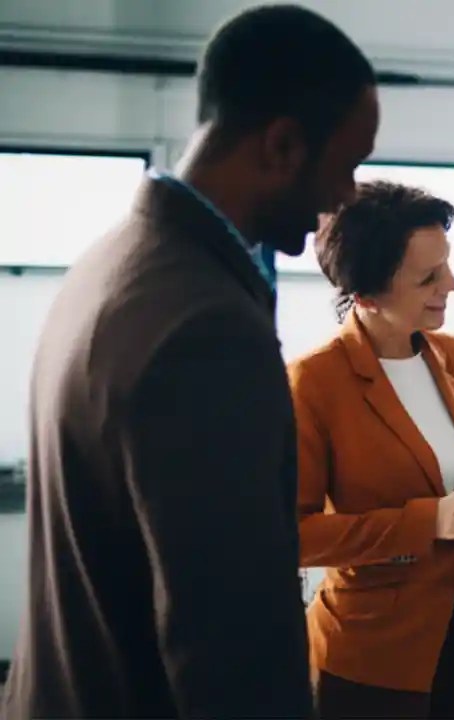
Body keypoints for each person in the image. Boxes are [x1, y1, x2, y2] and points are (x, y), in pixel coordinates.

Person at [0, 5, 379, 718]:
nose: (346, 196)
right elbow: (229, 648)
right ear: (283, 145)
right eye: (347, 166)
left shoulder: (112, 264)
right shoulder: (207, 328)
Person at [290, 180, 454, 719]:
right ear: (367, 295)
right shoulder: (313, 382)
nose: (453, 283)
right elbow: (291, 535)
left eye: (446, 265)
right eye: (429, 278)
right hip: (370, 656)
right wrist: (428, 522)